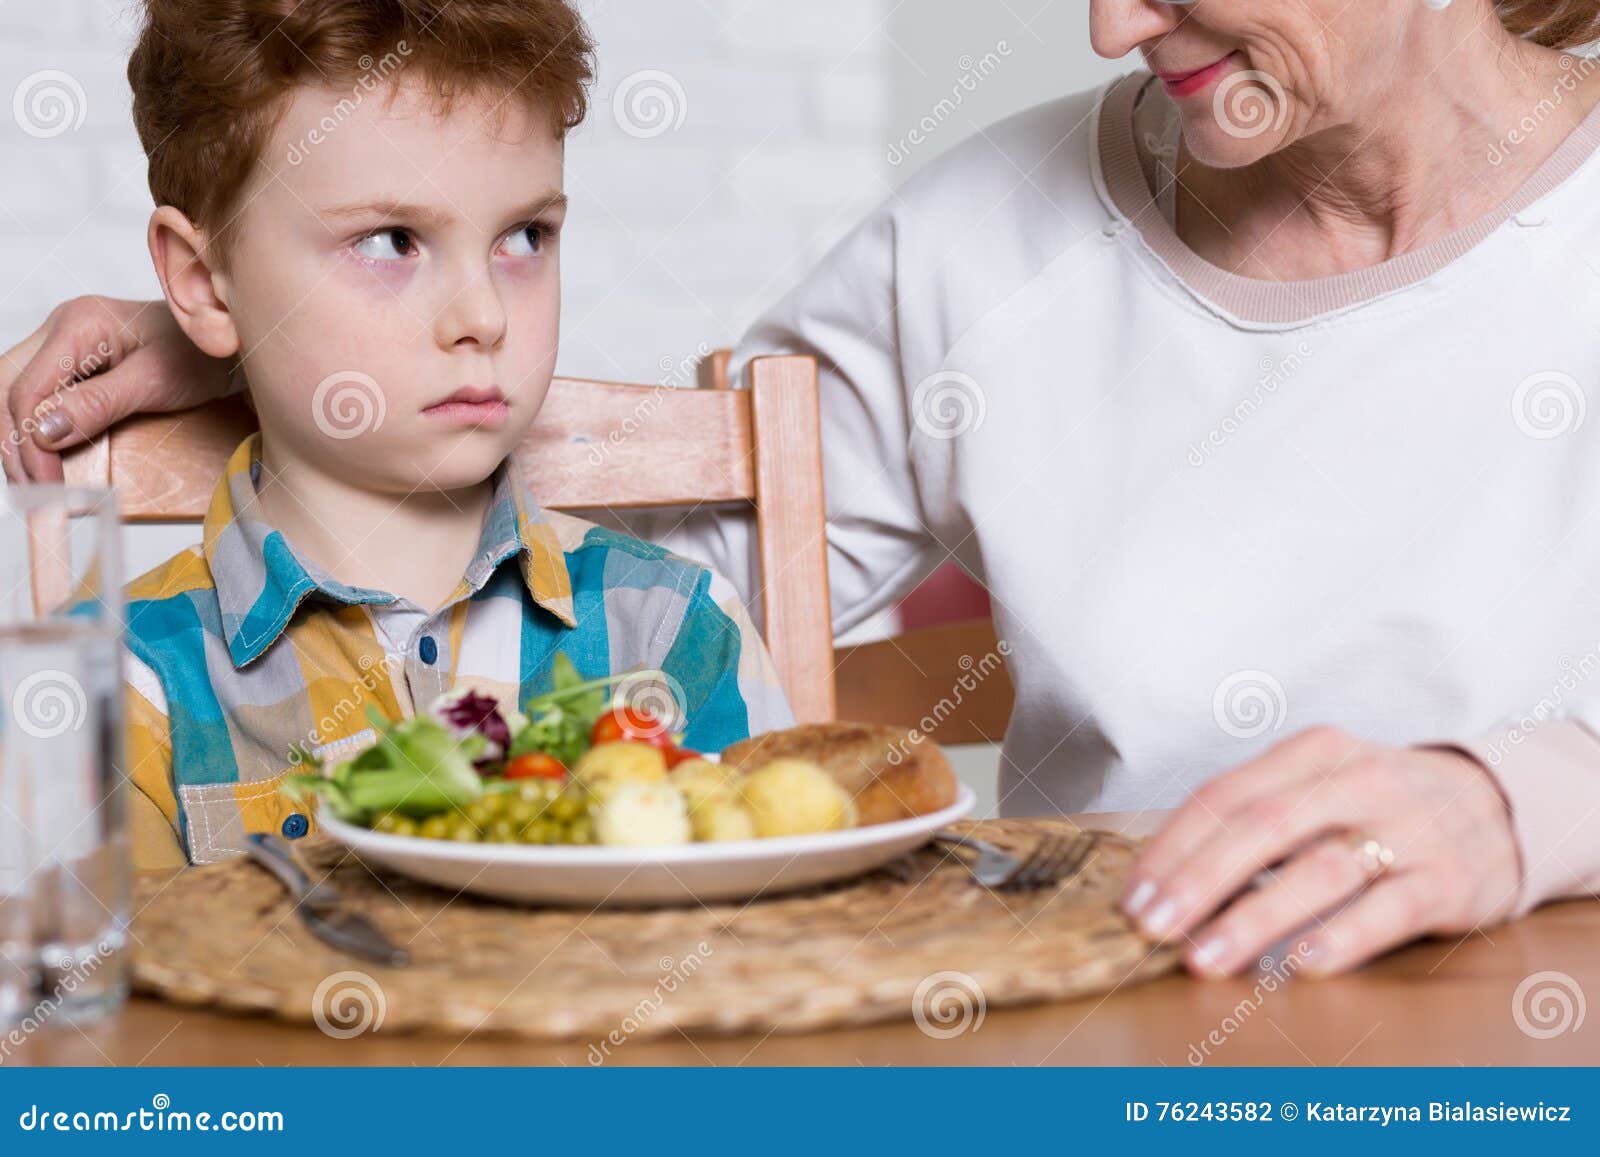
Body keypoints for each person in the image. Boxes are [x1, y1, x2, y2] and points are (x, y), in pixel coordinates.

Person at [7, 1, 1600, 974]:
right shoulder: (984, 243)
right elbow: (620, 578)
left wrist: (1514, 806)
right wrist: (280, 343)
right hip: (1118, 1062)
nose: (1111, 23)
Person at [53, 0, 792, 868]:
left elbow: (769, 958)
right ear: (206, 286)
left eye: (525, 236)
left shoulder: (673, 630)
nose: (481, 315)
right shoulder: (107, 683)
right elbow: (87, 1000)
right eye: (391, 241)